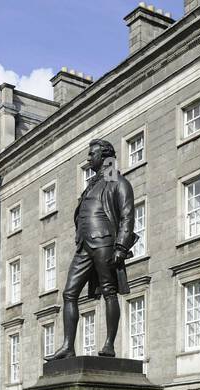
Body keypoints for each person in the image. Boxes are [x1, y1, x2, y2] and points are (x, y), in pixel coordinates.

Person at [48, 139, 136, 359]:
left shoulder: (117, 182)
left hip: (105, 242)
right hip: (84, 245)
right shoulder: (92, 184)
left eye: (92, 154)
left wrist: (121, 247)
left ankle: (109, 344)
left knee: (109, 291)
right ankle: (68, 346)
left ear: (105, 157)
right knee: (69, 293)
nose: (88, 158)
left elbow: (127, 216)